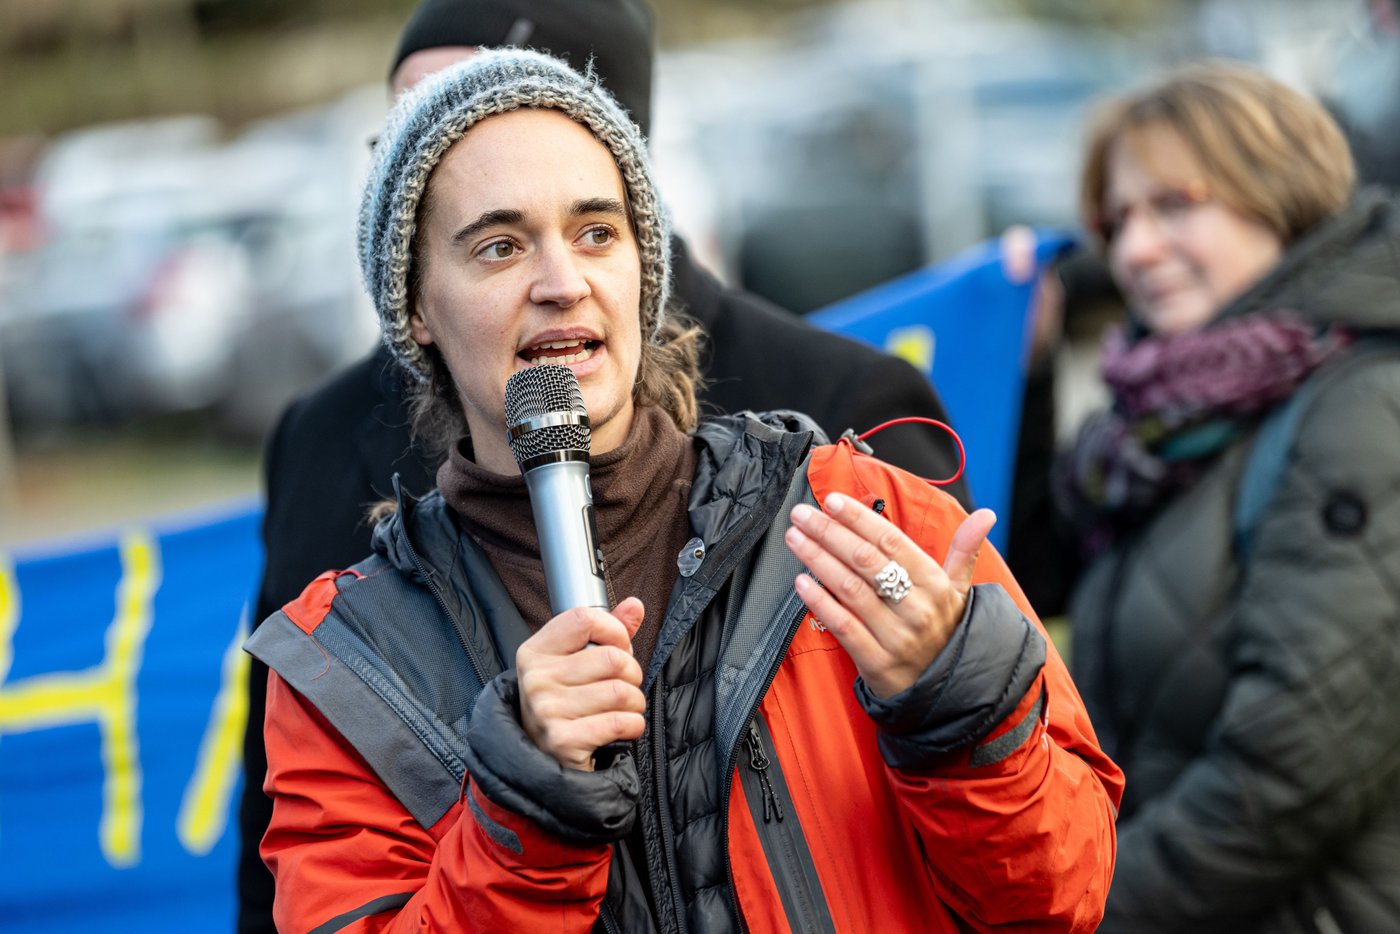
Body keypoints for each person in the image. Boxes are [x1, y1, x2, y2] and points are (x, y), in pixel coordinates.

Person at [244, 49, 1121, 933]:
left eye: (597, 232)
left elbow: (1062, 901)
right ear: (417, 308)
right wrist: (523, 805)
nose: (562, 283)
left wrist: (956, 708)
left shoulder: (862, 519)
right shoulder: (350, 665)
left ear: (643, 269)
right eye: (500, 247)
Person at [1057, 61, 1400, 931]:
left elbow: (1291, 769)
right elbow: (1033, 571)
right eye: (1118, 218)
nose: (1135, 250)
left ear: (1278, 194)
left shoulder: (1361, 409)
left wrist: (1083, 910)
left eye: (1176, 205)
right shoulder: (1163, 425)